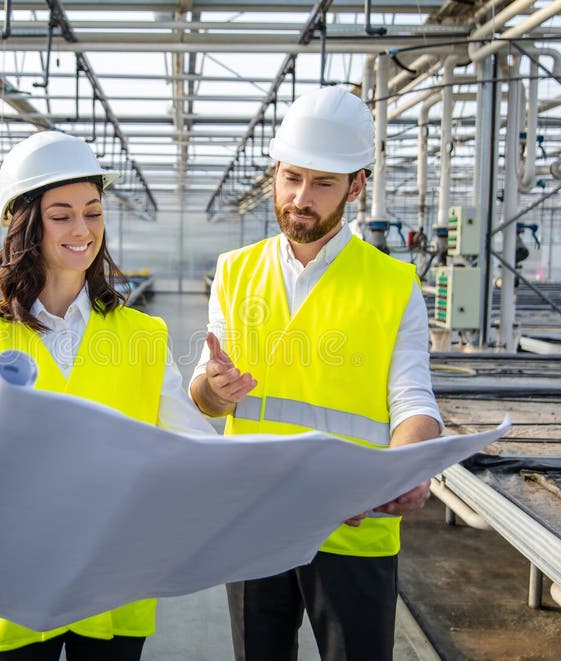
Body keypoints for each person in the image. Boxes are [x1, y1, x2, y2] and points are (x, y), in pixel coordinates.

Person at [0, 130, 214, 661]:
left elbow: (190, 441)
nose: (82, 230)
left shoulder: (143, 335)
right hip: (12, 568)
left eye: (93, 212)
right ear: (27, 224)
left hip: (113, 570)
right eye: (62, 214)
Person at [189, 86, 443, 661]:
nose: (301, 198)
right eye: (291, 178)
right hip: (254, 516)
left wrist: (406, 467)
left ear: (356, 185)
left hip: (354, 522)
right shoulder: (234, 273)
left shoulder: (393, 285)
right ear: (275, 172)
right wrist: (214, 388)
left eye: (323, 182)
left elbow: (413, 401)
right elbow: (206, 398)